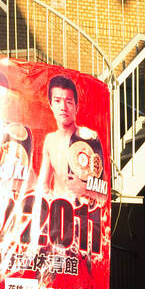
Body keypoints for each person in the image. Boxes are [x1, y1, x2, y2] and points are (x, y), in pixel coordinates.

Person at [42, 75, 107, 207]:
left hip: (84, 217)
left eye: (69, 101)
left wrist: (83, 188)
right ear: (51, 105)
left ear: (76, 106)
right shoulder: (50, 140)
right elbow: (43, 185)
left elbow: (104, 193)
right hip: (59, 217)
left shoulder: (89, 138)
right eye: (57, 101)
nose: (63, 107)